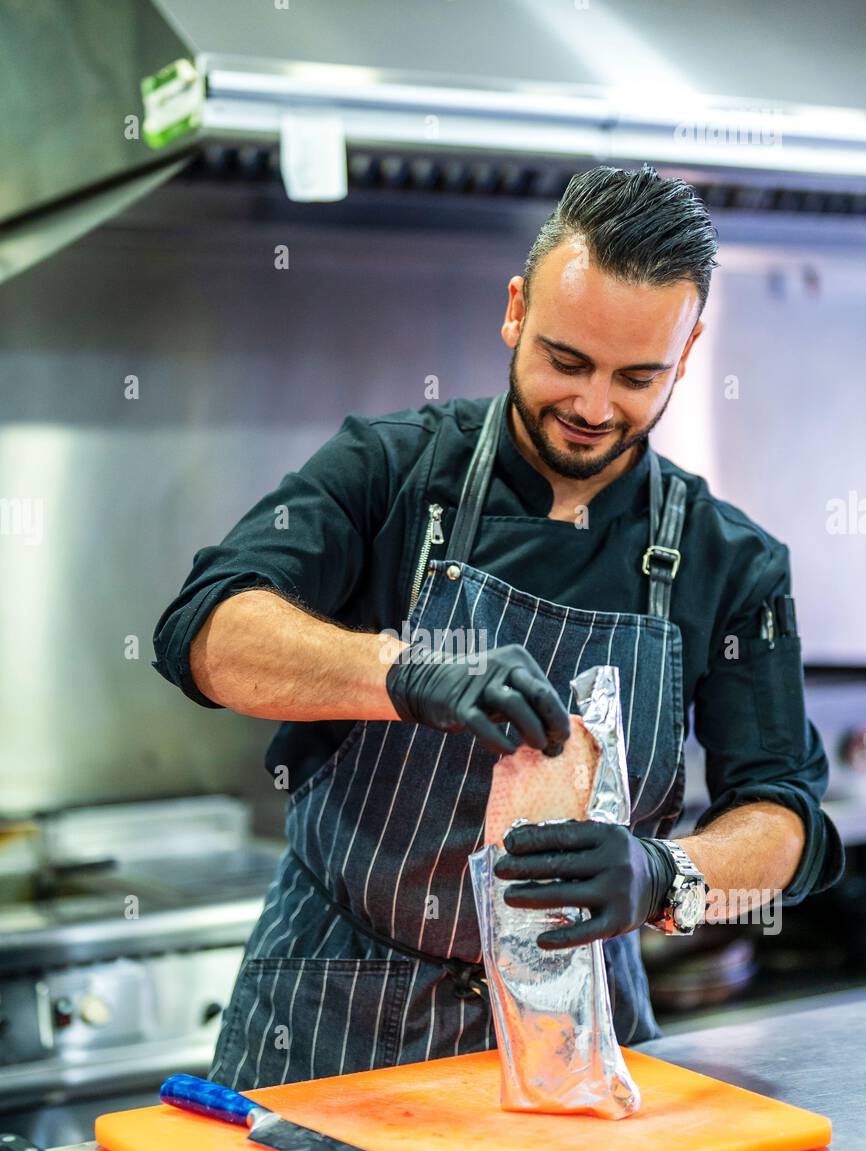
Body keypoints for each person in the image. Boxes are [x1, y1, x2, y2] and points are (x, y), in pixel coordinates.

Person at [153, 164, 843, 1090]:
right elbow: (205, 633)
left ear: (688, 352)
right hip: (330, 1024)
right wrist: (402, 673)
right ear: (516, 310)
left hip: (577, 1034)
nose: (596, 407)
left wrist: (664, 874)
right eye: (567, 361)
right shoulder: (388, 471)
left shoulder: (733, 562)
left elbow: (788, 821)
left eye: (639, 376)